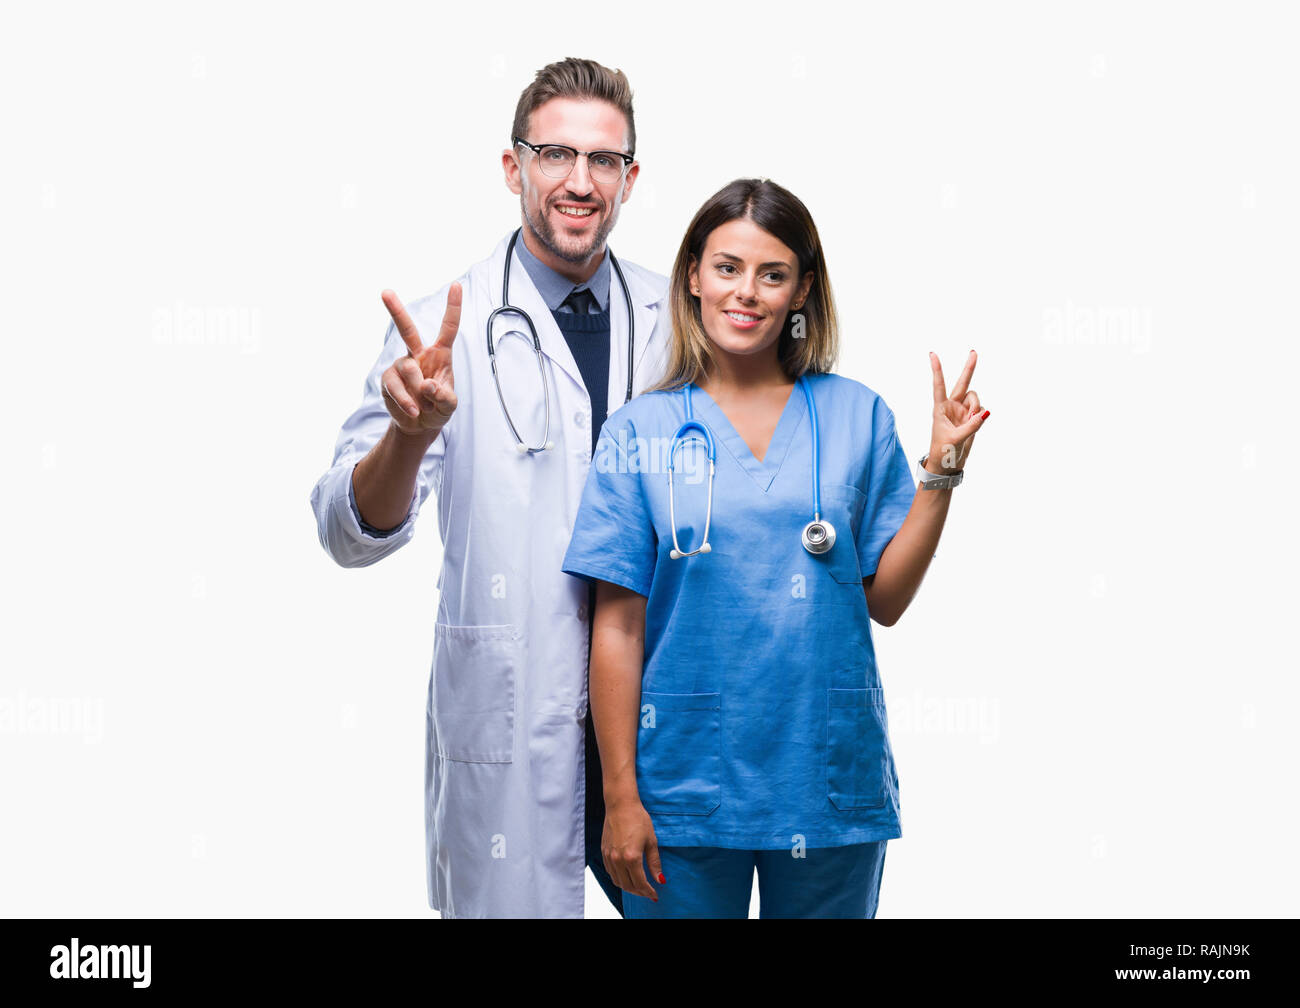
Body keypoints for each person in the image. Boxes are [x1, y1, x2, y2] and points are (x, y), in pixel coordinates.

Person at [561, 178, 990, 918]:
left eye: (773, 274)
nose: (747, 292)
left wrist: (941, 472)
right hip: (685, 785)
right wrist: (621, 795)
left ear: (803, 291)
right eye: (727, 267)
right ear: (693, 275)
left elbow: (883, 601)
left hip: (824, 775)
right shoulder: (638, 434)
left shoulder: (857, 416)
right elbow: (618, 629)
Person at [309, 58, 671, 918]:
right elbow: (346, 529)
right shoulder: (447, 327)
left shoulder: (679, 319)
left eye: (603, 161)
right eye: (555, 155)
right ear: (514, 169)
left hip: (657, 715)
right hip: (515, 717)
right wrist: (410, 433)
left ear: (630, 178)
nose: (579, 182)